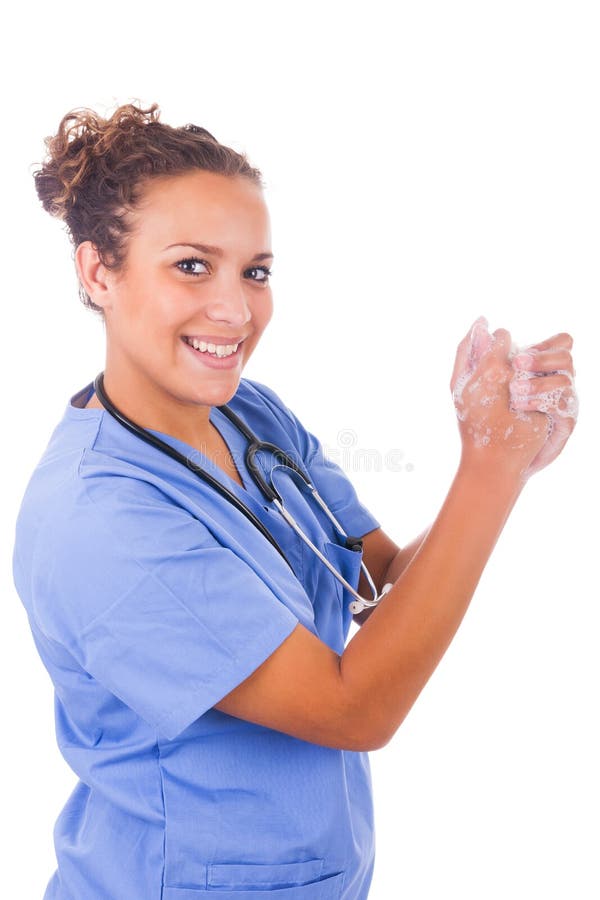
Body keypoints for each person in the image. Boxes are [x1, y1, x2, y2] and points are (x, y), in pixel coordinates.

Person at [12, 102, 578, 900]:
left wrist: (505, 465)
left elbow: (378, 587)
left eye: (256, 271)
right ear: (99, 271)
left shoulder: (248, 413)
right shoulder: (100, 524)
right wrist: (489, 471)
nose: (236, 309)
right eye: (190, 265)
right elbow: (357, 710)